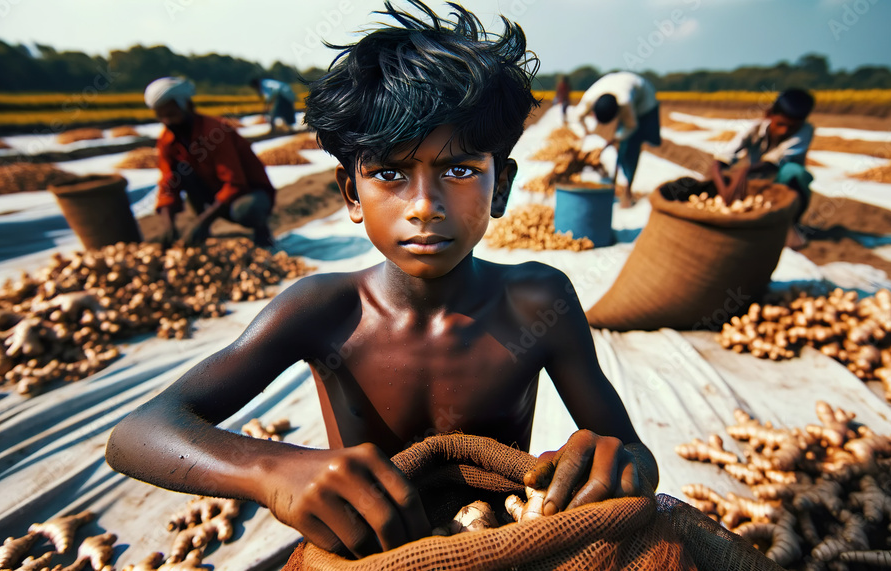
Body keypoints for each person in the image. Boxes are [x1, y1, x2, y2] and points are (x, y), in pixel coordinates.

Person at [108, 1, 658, 560]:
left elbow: (634, 452)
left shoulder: (539, 301)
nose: (424, 206)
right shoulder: (324, 310)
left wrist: (613, 460)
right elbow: (141, 431)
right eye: (390, 173)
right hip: (369, 557)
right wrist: (274, 470)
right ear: (351, 193)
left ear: (500, 187)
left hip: (498, 543)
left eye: (459, 170)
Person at [144, 77, 276, 249]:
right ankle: (203, 233)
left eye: (171, 115)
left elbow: (235, 182)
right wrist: (167, 224)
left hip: (249, 191)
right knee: (184, 174)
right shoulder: (167, 140)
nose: (167, 122)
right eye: (161, 117)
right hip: (214, 189)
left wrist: (203, 221)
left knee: (245, 210)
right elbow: (168, 182)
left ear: (187, 107)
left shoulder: (215, 132)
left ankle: (261, 231)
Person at [710, 88, 816, 248]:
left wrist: (745, 170)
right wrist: (722, 185)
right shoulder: (753, 128)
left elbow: (776, 160)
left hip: (784, 183)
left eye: (791, 127)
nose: (784, 131)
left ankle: (789, 224)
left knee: (794, 171)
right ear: (768, 115)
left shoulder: (806, 130)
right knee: (722, 179)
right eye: (780, 124)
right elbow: (721, 159)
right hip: (756, 183)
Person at [572, 71, 662, 208]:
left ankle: (627, 190)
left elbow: (631, 126)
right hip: (619, 84)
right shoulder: (589, 98)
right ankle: (614, 184)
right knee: (625, 144)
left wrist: (616, 137)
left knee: (631, 145)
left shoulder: (625, 102)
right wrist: (584, 134)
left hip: (644, 100)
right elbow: (576, 119)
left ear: (618, 111)